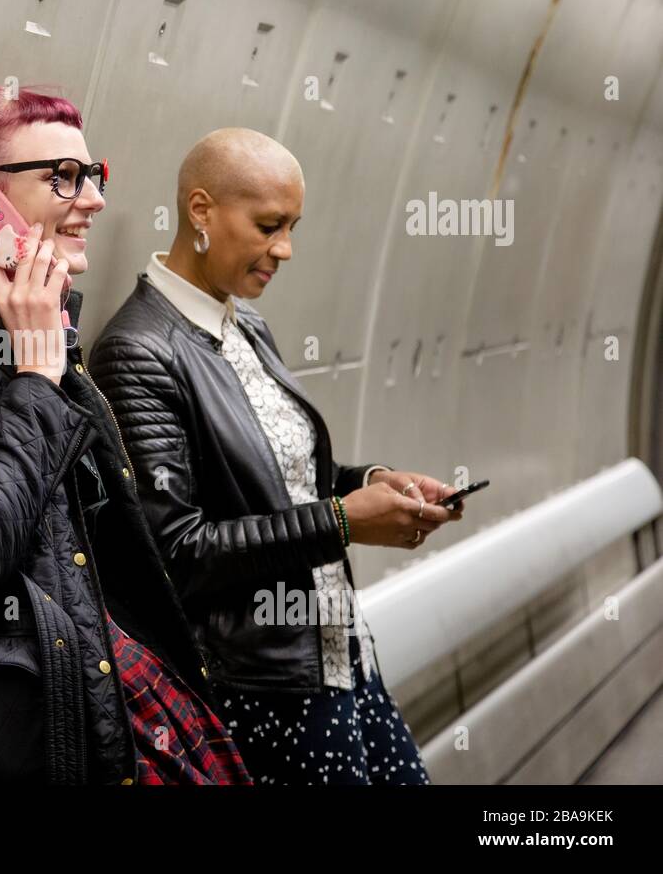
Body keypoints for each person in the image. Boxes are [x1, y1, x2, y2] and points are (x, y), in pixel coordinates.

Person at [0, 84, 250, 784]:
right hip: (6, 736)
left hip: (97, 689)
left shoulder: (39, 326)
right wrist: (34, 374)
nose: (92, 199)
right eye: (63, 177)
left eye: (94, 176)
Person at [90, 127, 465, 784]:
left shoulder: (247, 324)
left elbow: (286, 484)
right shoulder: (138, 351)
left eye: (292, 226)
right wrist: (347, 523)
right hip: (263, 686)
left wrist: (378, 483)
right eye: (269, 226)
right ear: (201, 211)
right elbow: (178, 551)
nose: (285, 249)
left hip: (338, 653)